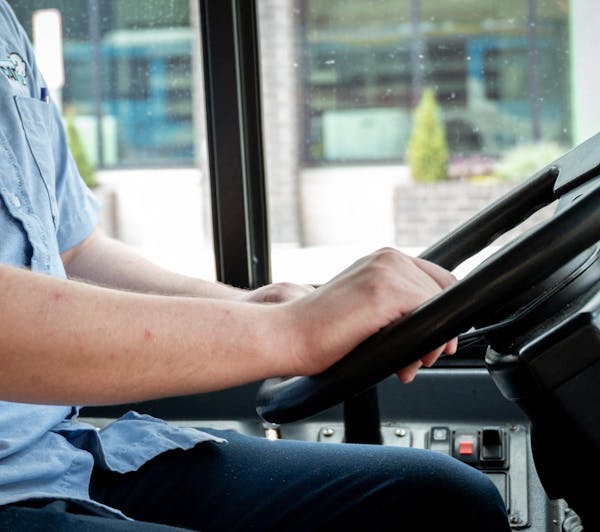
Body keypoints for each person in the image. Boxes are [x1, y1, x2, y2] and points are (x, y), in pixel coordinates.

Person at [0, 2, 510, 530]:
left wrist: (255, 305)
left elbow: (71, 251)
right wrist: (291, 331)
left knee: (446, 504)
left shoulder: (5, 26)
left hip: (56, 455)